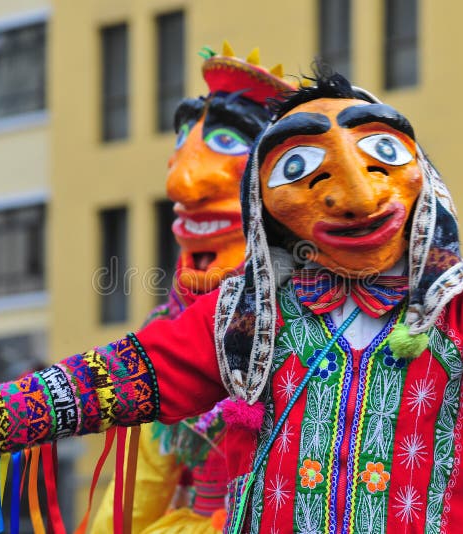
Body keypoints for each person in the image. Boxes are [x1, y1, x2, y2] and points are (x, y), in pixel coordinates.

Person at [0, 68, 463, 533]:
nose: (352, 194)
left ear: (418, 178)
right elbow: (117, 376)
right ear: (269, 205)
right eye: (305, 169)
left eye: (377, 155)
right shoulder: (247, 315)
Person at [89, 44, 294, 534]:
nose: (182, 184)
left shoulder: (323, 317)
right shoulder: (169, 330)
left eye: (225, 141)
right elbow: (136, 494)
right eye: (183, 141)